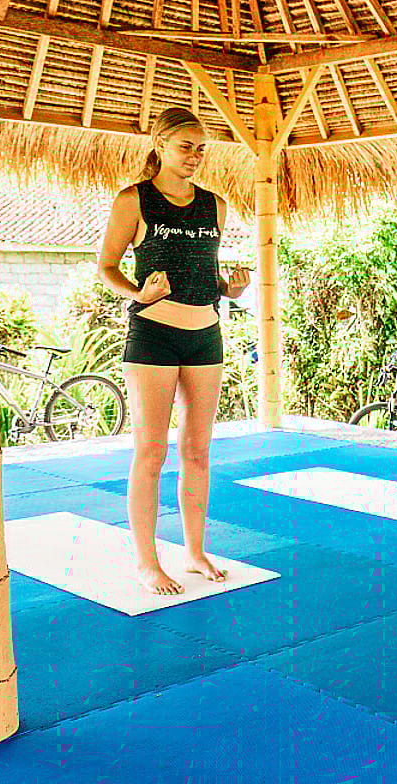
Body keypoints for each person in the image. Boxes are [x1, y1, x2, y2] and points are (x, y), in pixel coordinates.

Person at [97, 107, 250, 595]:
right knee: (151, 450)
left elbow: (204, 274)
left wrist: (232, 289)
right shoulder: (134, 201)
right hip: (153, 336)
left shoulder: (215, 206)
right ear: (160, 144)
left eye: (202, 149)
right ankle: (147, 562)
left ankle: (195, 551)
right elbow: (107, 267)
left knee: (198, 451)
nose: (195, 158)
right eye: (186, 147)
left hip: (206, 333)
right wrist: (137, 294)